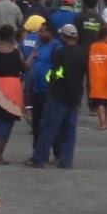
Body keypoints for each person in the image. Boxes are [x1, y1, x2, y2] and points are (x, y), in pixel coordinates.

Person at [26, 23, 85, 169]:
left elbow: (58, 72)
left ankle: (39, 157)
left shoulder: (61, 53)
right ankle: (66, 160)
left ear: (63, 36)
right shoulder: (81, 52)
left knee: (48, 127)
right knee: (69, 130)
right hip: (75, 94)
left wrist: (50, 79)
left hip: (59, 95)